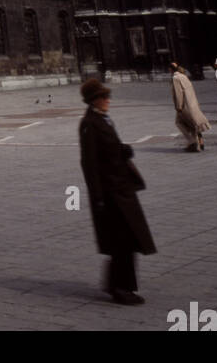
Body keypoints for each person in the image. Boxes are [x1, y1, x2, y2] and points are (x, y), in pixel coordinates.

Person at [78, 77, 156, 305]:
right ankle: (122, 288)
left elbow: (108, 149)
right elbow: (89, 164)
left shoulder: (103, 120)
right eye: (104, 97)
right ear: (94, 100)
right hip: (111, 192)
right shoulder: (89, 124)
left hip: (121, 188)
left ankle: (115, 284)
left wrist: (123, 150)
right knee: (123, 239)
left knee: (125, 239)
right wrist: (98, 197)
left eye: (107, 96)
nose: (108, 100)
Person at [170, 61, 209, 152]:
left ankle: (192, 142)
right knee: (192, 125)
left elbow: (178, 93)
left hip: (183, 106)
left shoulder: (175, 78)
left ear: (170, 69)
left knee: (178, 123)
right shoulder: (184, 76)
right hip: (192, 105)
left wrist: (179, 106)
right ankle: (196, 145)